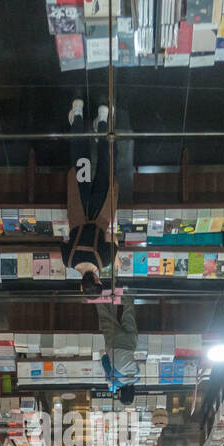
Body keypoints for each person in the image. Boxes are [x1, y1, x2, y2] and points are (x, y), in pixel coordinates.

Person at [61, 98, 117, 296]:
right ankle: (77, 114)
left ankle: (103, 119)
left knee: (105, 166)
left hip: (101, 209)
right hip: (79, 204)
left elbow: (111, 237)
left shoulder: (104, 260)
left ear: (98, 280)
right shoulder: (67, 260)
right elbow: (65, 237)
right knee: (81, 159)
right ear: (80, 285)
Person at [97, 297, 138, 405]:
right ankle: (97, 294)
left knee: (129, 313)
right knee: (105, 317)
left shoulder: (136, 375)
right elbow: (105, 360)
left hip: (131, 343)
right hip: (114, 343)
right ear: (121, 393)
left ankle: (127, 289)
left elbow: (134, 360)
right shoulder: (114, 380)